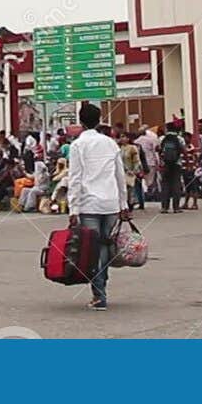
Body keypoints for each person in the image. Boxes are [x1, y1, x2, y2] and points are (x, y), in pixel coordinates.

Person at [66, 102, 129, 311]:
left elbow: (75, 178)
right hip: (110, 203)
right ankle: (102, 285)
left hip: (89, 204)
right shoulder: (110, 143)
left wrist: (73, 209)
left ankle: (99, 294)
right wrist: (124, 203)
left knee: (92, 250)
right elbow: (120, 175)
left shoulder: (77, 146)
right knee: (106, 247)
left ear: (81, 121)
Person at [157, 122, 186, 213]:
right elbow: (183, 150)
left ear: (167, 129)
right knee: (176, 184)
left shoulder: (162, 138)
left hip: (165, 164)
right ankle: (176, 207)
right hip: (177, 164)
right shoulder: (180, 138)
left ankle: (164, 207)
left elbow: (158, 149)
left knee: (165, 184)